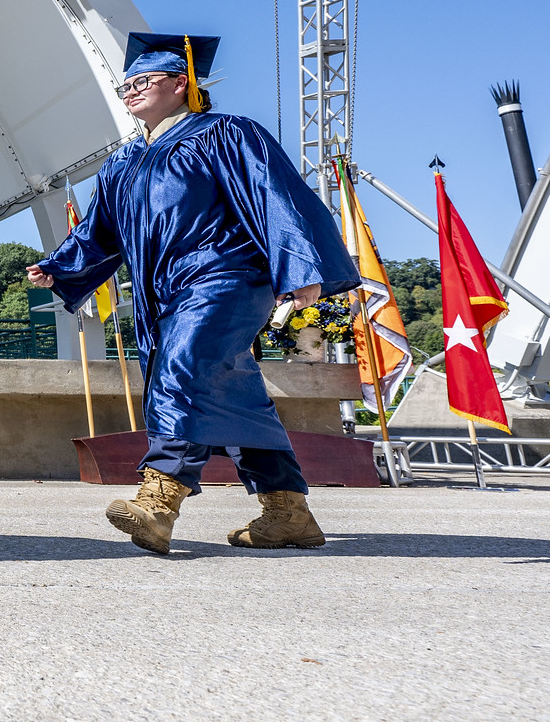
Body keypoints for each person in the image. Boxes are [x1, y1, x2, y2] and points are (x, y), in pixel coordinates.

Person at [26, 32, 359, 555]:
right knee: (230, 389)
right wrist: (60, 267)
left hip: (226, 276)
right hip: (161, 292)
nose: (130, 90)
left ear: (181, 84)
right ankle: (288, 511)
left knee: (182, 367)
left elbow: (277, 197)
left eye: (143, 81)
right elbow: (100, 231)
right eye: (125, 85)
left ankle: (160, 499)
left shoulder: (225, 133)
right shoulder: (122, 162)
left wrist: (300, 269)